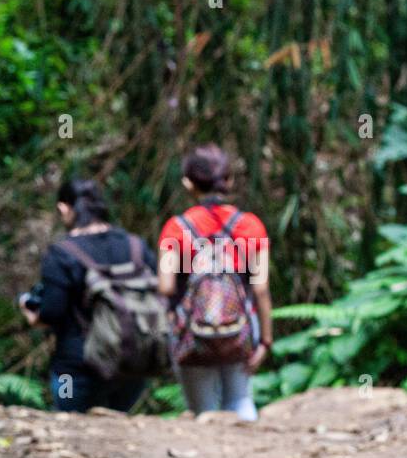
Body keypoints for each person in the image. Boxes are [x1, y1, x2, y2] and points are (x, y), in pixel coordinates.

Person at [21, 178, 157, 412]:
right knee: (117, 426)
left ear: (64, 208)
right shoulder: (136, 246)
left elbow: (53, 312)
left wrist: (31, 314)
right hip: (132, 364)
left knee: (66, 419)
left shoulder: (62, 253)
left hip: (74, 369)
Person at [157, 145, 272, 422]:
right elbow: (261, 289)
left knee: (202, 410)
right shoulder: (250, 225)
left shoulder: (177, 227)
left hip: (191, 330)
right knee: (240, 398)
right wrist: (266, 341)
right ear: (229, 180)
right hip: (240, 328)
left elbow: (166, 287)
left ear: (188, 183)